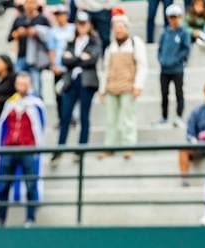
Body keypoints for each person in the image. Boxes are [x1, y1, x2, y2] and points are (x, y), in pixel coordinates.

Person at [0, 72, 46, 227]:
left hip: (28, 150)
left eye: (25, 84)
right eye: (19, 84)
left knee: (30, 185)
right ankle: (0, 219)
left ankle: (30, 218)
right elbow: (3, 126)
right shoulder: (11, 103)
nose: (21, 87)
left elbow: (39, 128)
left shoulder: (36, 104)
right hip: (9, 149)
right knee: (4, 185)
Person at [54, 12, 101, 162]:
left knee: (84, 116)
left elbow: (92, 59)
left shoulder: (94, 41)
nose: (81, 26)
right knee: (65, 115)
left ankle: (81, 150)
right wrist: (80, 58)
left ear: (89, 25)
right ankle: (60, 149)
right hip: (71, 81)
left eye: (84, 23)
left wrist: (73, 59)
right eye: (79, 23)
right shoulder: (71, 41)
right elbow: (64, 60)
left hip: (86, 82)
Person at [99, 12, 146, 159]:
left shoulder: (135, 43)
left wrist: (138, 84)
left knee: (128, 118)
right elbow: (105, 69)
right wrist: (102, 89)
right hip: (112, 87)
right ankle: (109, 147)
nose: (118, 30)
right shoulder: (110, 48)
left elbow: (142, 65)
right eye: (116, 28)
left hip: (128, 86)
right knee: (110, 120)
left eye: (121, 27)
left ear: (127, 28)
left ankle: (128, 146)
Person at [155, 5, 190, 129]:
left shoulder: (184, 32)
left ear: (179, 17)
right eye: (171, 17)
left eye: (175, 17)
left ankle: (179, 117)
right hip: (165, 69)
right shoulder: (165, 33)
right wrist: (162, 60)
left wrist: (175, 60)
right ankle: (164, 117)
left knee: (179, 93)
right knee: (164, 94)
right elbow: (160, 49)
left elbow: (186, 49)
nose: (173, 19)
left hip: (177, 69)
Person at [7, 0, 50, 97]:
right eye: (28, 3)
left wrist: (37, 32)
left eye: (32, 2)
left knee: (36, 88)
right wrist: (17, 33)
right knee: (18, 87)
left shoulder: (42, 19)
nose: (30, 5)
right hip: (21, 56)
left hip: (35, 58)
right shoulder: (19, 19)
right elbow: (9, 37)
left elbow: (50, 38)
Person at [47, 4, 74, 110]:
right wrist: (54, 65)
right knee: (59, 93)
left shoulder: (73, 28)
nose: (59, 17)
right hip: (59, 68)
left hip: (71, 67)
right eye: (57, 15)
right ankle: (61, 118)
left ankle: (72, 117)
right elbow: (51, 50)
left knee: (72, 93)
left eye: (61, 14)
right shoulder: (53, 31)